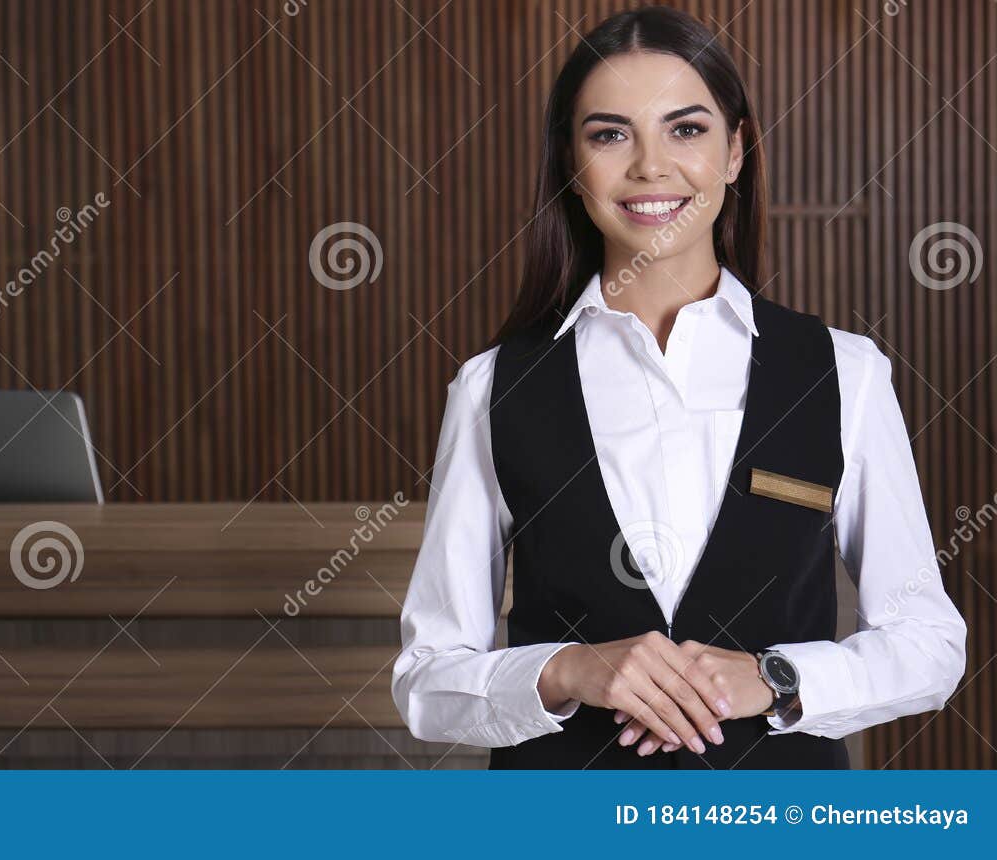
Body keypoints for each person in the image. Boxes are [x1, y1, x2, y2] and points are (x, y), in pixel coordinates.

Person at [390, 5, 966, 769]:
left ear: (735, 151)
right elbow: (427, 680)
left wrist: (775, 679)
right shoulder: (492, 387)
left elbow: (928, 644)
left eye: (686, 129)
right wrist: (567, 670)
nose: (650, 166)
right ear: (572, 162)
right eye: (610, 133)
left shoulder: (845, 373)